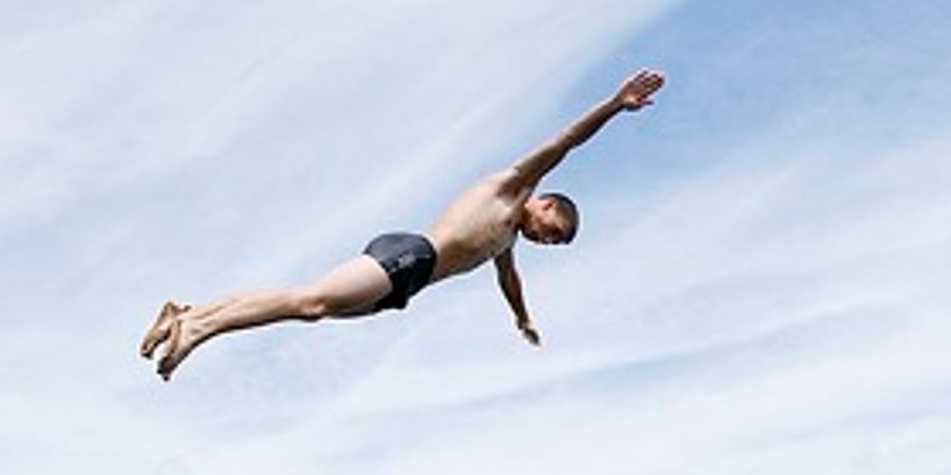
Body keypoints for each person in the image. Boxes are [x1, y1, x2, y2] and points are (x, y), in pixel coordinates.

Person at [140, 69, 665, 380]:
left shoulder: (504, 234)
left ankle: (188, 312)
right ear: (547, 205)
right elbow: (567, 140)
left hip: (409, 277)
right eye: (553, 232)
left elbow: (508, 277)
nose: (546, 241)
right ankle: (199, 329)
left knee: (308, 307)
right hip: (413, 254)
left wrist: (522, 319)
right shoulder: (513, 188)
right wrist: (616, 106)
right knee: (312, 302)